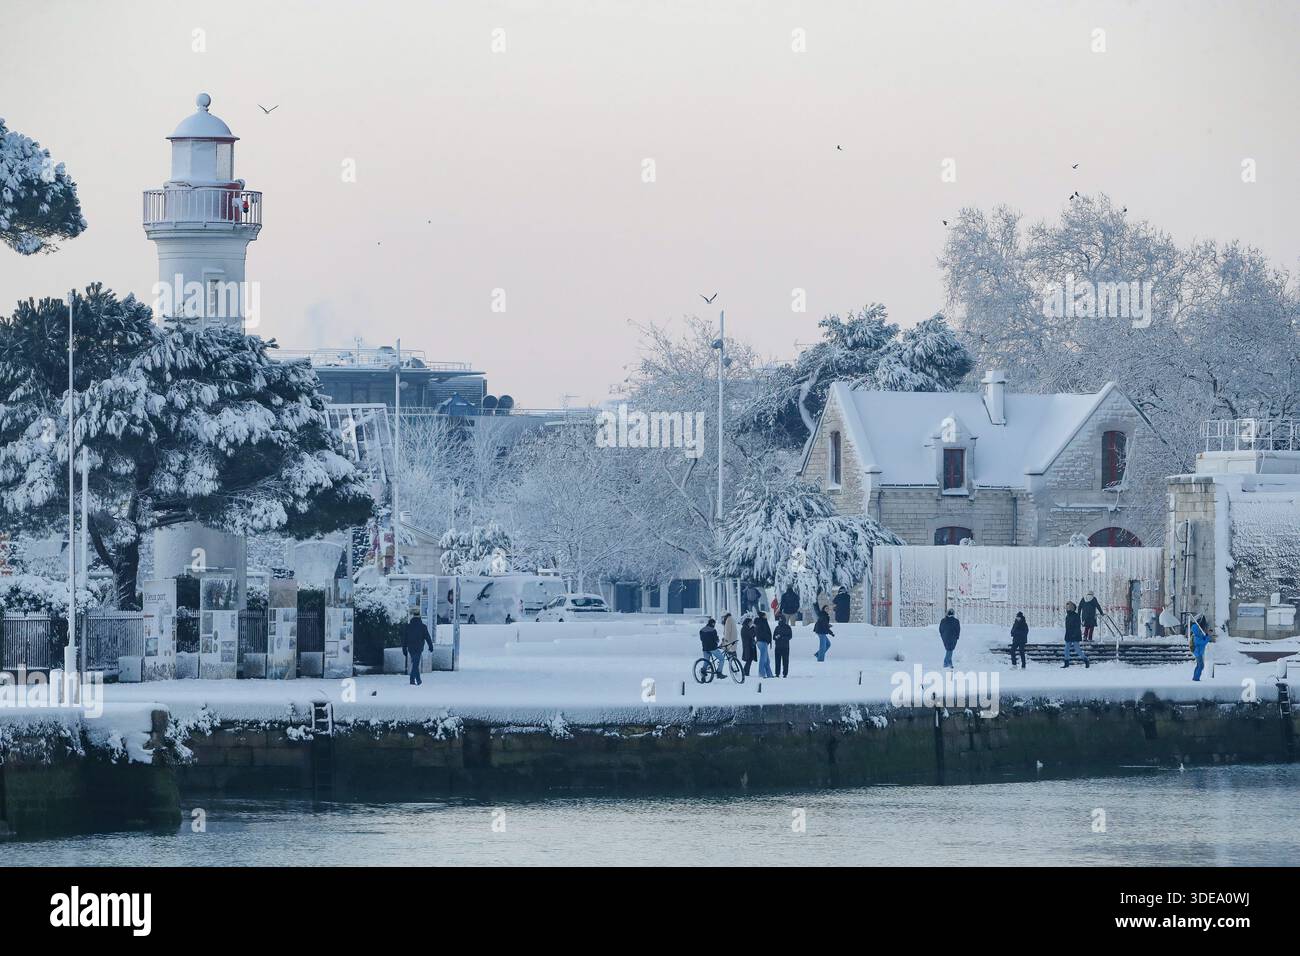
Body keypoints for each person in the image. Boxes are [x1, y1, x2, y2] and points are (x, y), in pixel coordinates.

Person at [403, 609, 435, 686]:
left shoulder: (408, 626)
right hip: (419, 648)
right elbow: (427, 637)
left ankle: (419, 680)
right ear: (420, 617)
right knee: (415, 664)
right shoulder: (423, 627)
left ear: (413, 617)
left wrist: (404, 648)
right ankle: (412, 680)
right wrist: (431, 646)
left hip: (410, 648)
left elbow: (404, 638)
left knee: (415, 663)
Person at [1062, 601, 1089, 668]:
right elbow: (1067, 627)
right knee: (1066, 649)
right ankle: (1066, 663)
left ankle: (1086, 660)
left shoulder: (1076, 616)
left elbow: (1077, 626)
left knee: (1077, 649)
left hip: (1075, 635)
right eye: (1067, 607)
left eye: (1068, 607)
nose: (1067, 608)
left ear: (1071, 608)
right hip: (1068, 635)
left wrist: (1074, 634)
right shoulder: (1067, 616)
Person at [1190, 614, 1212, 681]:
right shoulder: (1196, 637)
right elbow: (1203, 642)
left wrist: (1208, 634)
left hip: (1199, 652)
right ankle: (1196, 678)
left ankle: (1195, 678)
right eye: (1199, 630)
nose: (1200, 630)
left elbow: (1204, 638)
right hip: (1198, 653)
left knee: (1198, 666)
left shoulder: (1199, 636)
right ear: (1196, 630)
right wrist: (1208, 637)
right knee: (1201, 666)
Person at [755, 610, 774, 679]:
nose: (766, 616)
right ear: (763, 616)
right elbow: (764, 632)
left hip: (761, 642)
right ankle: (761, 673)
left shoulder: (759, 622)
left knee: (767, 659)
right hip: (763, 642)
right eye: (765, 615)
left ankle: (769, 674)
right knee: (763, 659)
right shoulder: (762, 622)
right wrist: (767, 639)